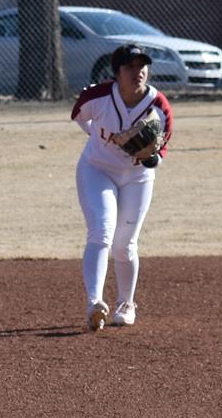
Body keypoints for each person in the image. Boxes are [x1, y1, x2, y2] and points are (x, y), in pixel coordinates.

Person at [71, 44, 172, 331]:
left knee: (124, 244)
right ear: (117, 73)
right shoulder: (98, 97)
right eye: (129, 67)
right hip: (97, 169)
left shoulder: (159, 105)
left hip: (137, 177)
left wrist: (150, 155)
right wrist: (100, 136)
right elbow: (80, 116)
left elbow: (162, 149)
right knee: (101, 231)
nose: (138, 72)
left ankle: (126, 304)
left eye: (142, 66)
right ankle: (94, 303)